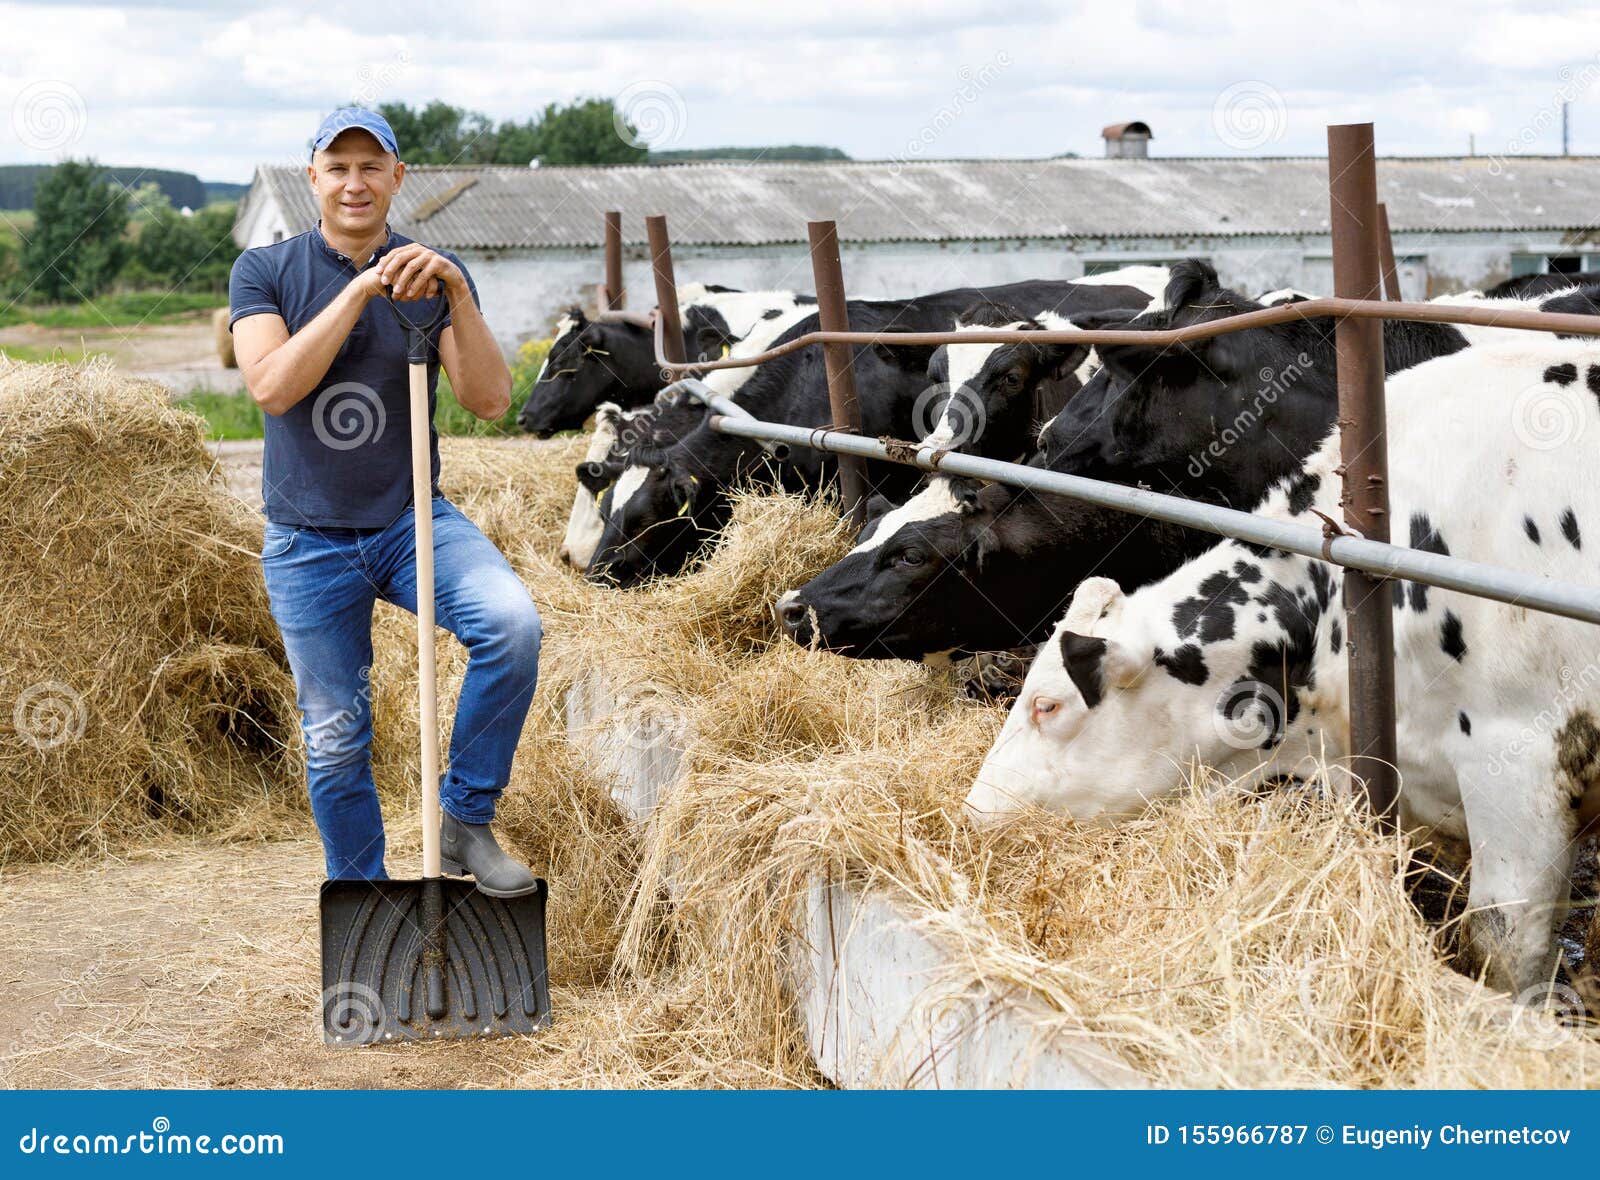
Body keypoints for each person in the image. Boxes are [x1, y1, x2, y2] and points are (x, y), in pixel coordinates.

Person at [229, 108, 541, 896]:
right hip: (307, 541)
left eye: (372, 167)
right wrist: (363, 289)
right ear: (313, 180)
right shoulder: (264, 271)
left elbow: (492, 400)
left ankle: (465, 819)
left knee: (511, 625)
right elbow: (272, 387)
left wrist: (459, 299)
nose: (355, 182)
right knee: (336, 738)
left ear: (398, 178)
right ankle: (365, 902)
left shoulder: (434, 274)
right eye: (338, 167)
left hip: (411, 522)